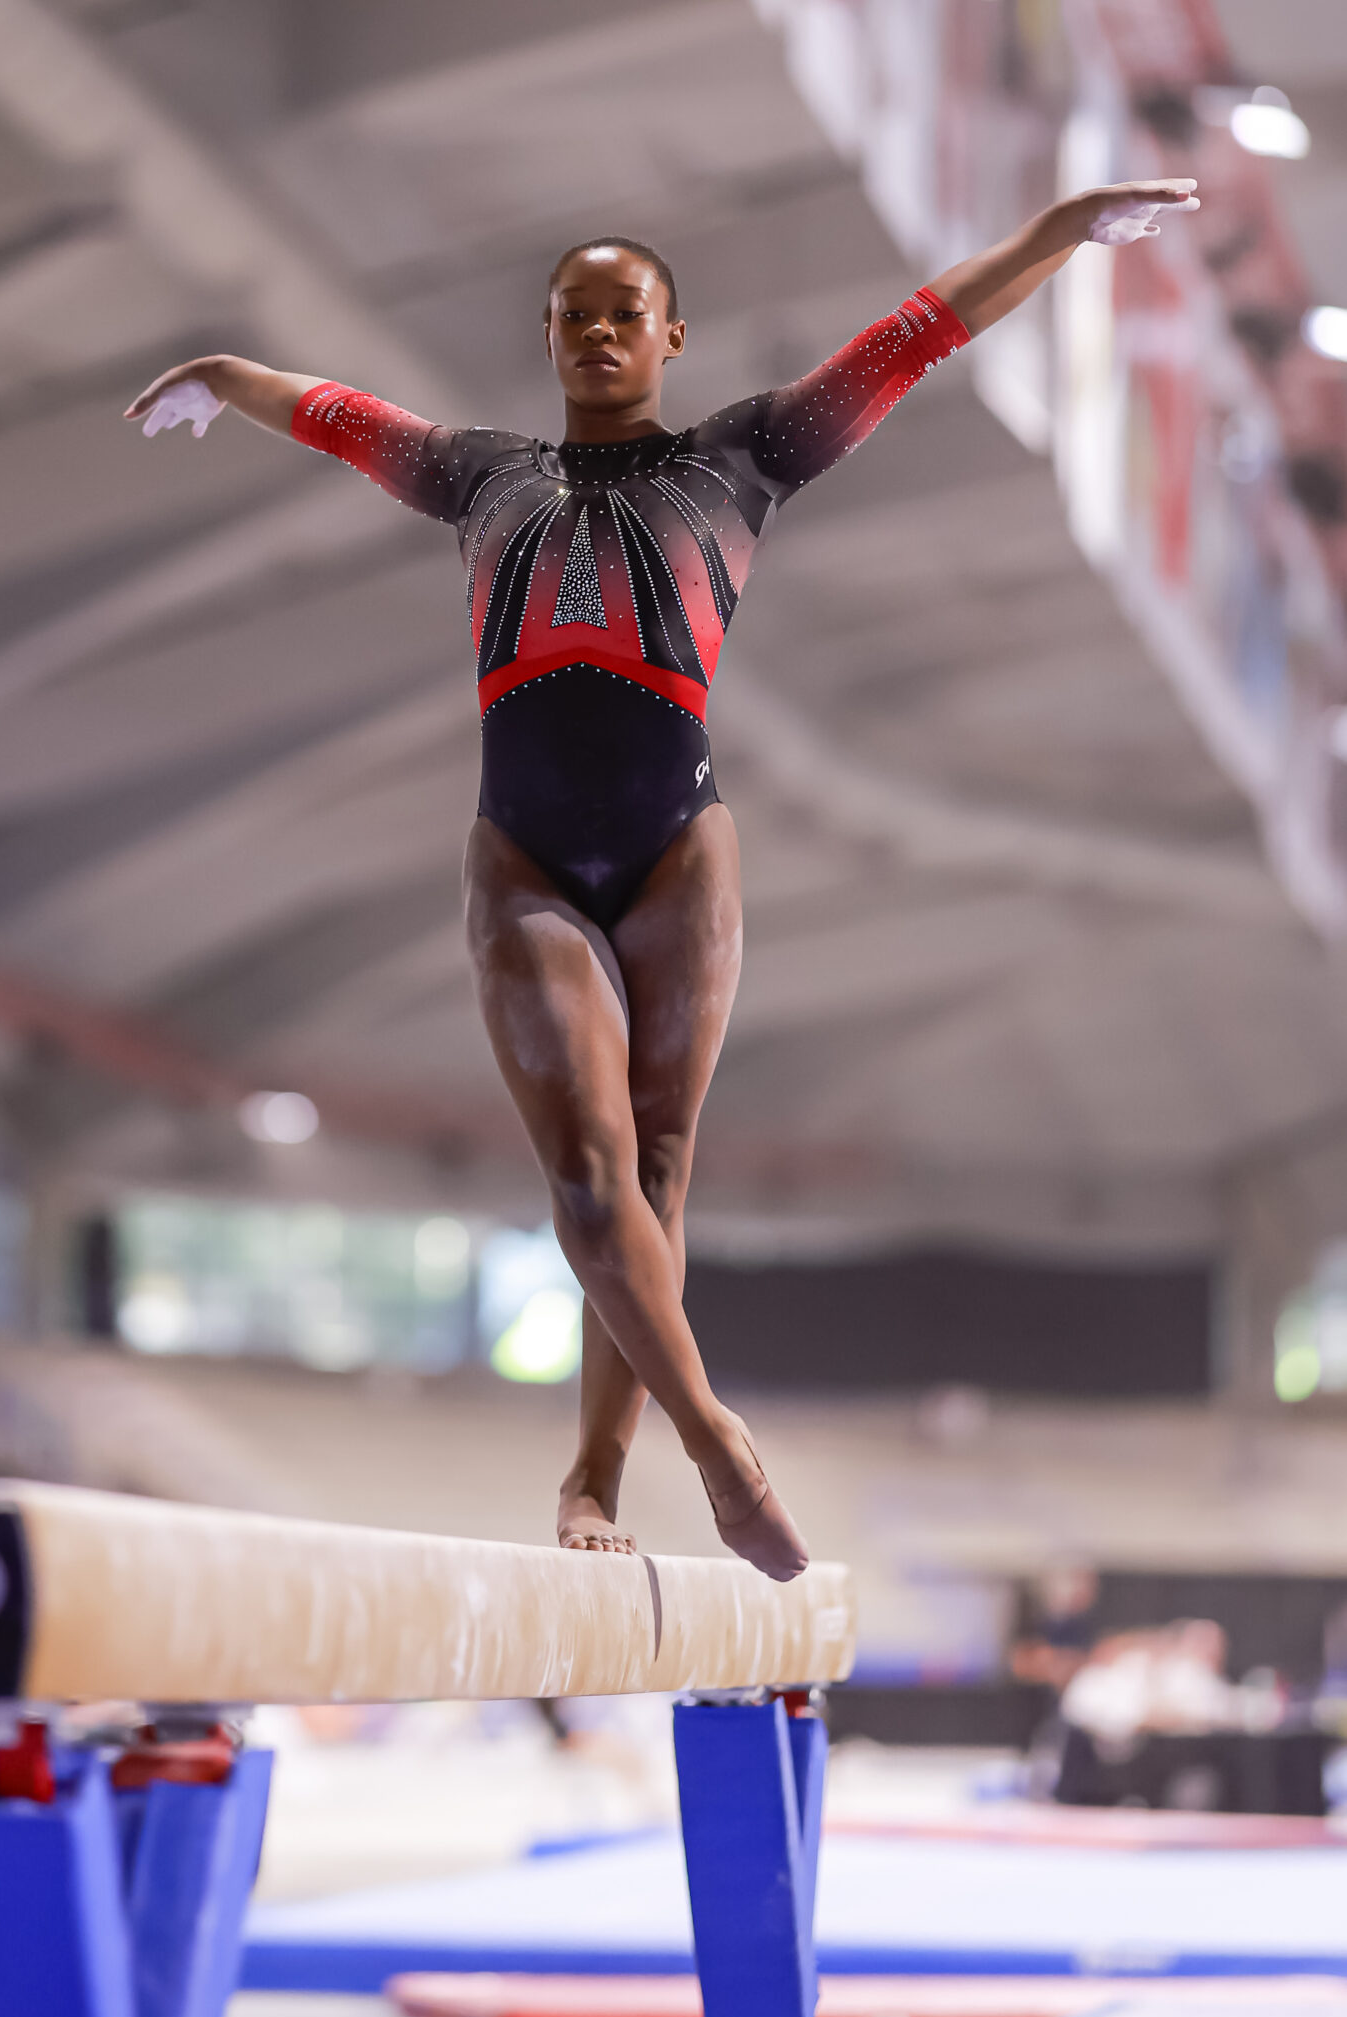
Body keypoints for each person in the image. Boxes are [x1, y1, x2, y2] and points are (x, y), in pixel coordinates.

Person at [127, 180, 1199, 1580]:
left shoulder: (744, 457)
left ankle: (591, 1475)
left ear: (669, 337)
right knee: (585, 1180)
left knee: (659, 1167)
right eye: (572, 316)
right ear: (548, 332)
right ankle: (715, 1447)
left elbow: (913, 335)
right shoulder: (479, 475)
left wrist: (1055, 234)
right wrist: (228, 376)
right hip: (520, 862)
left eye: (621, 314)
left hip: (677, 852)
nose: (593, 335)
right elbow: (338, 416)